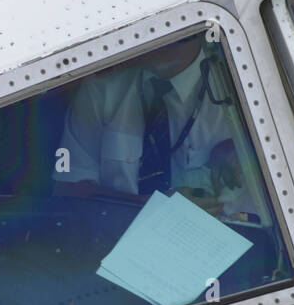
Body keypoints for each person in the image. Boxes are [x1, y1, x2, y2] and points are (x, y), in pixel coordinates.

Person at [52, 34, 263, 222]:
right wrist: (150, 206)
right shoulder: (99, 92)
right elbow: (67, 187)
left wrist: (249, 152)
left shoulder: (243, 83)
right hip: (120, 242)